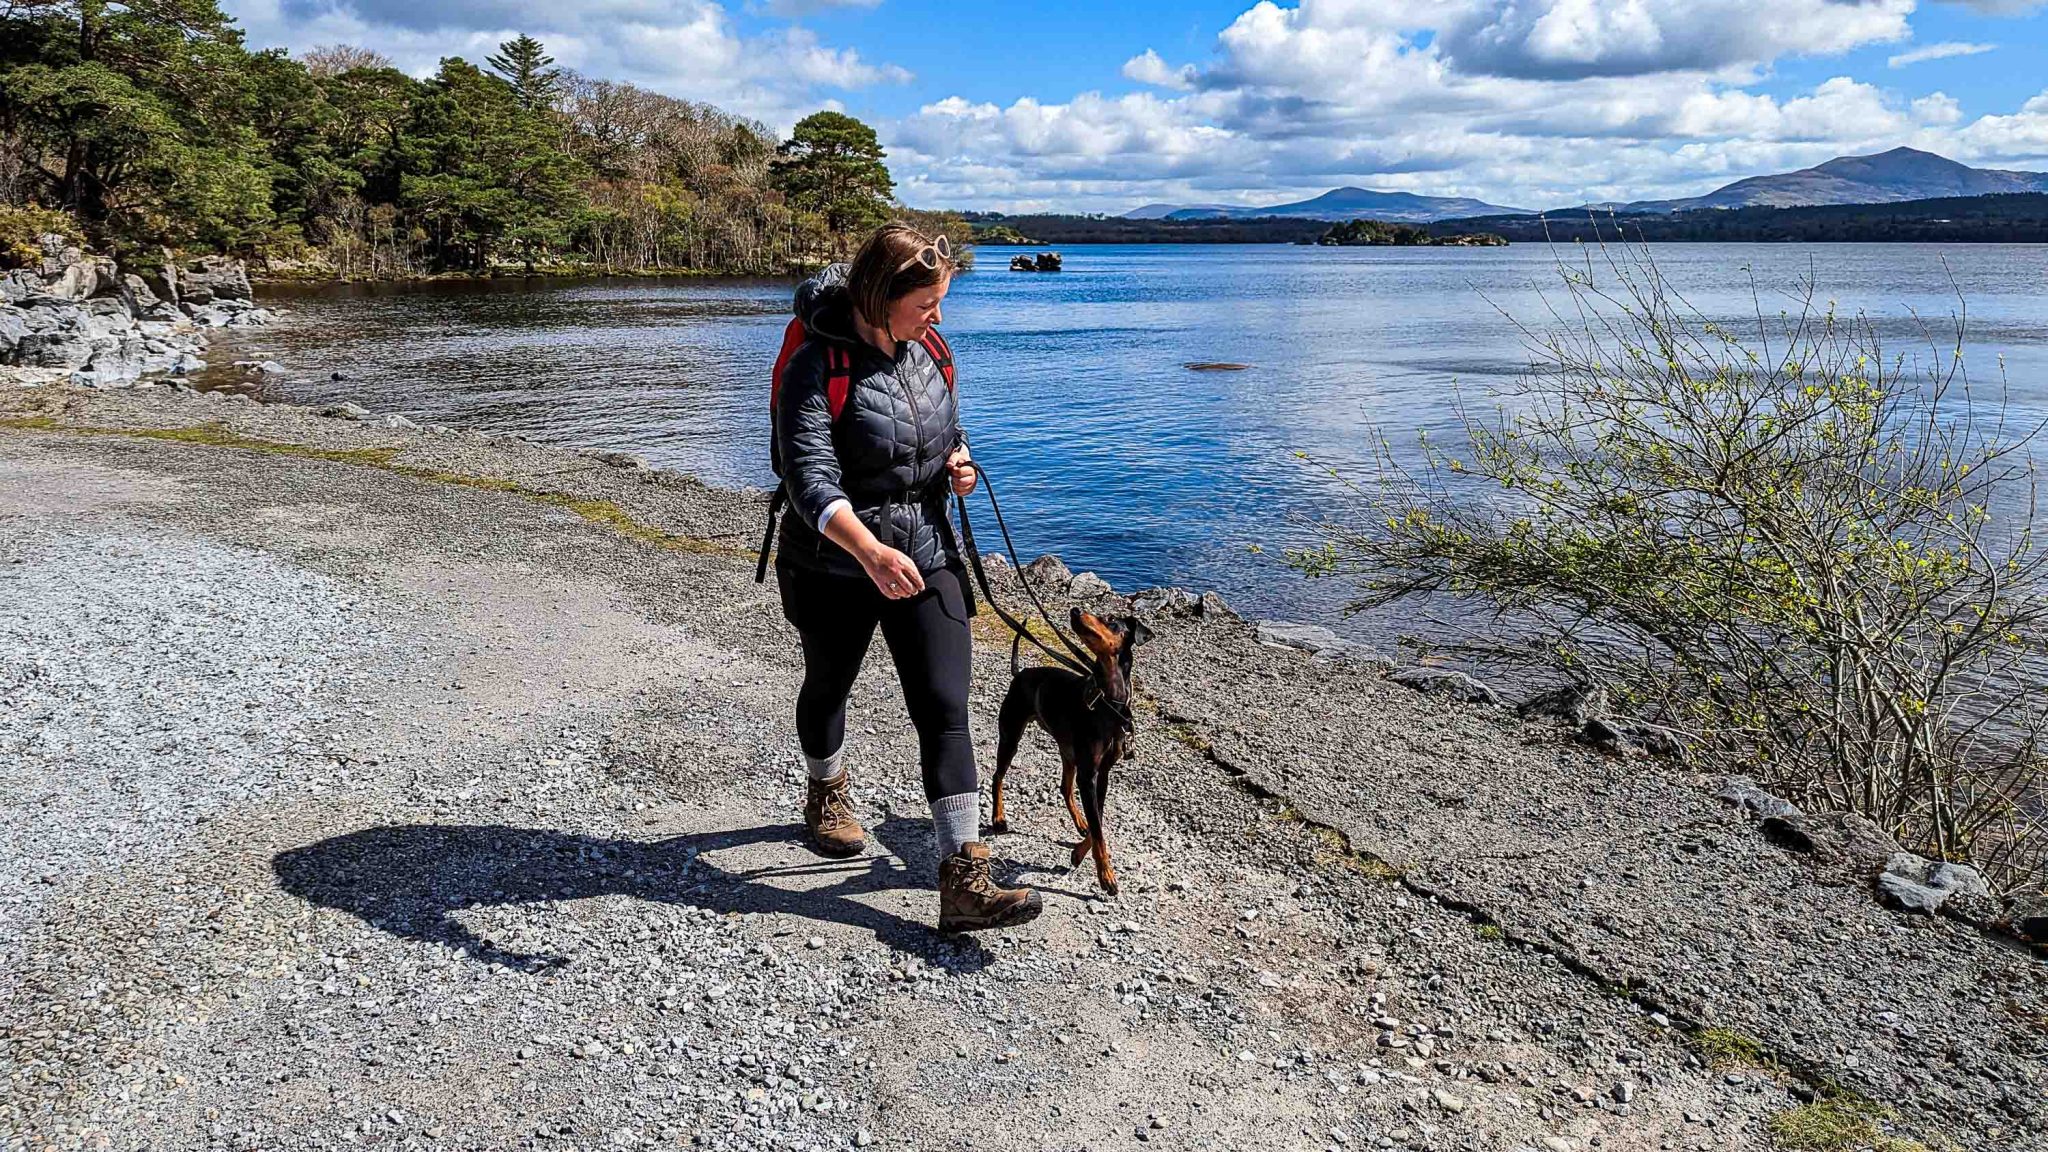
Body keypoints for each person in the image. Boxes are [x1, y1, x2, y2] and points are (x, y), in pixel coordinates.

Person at [773, 223, 1043, 933]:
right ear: (880, 295)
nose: (939, 317)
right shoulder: (817, 365)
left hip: (925, 549)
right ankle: (827, 788)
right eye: (928, 303)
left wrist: (959, 462)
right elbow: (806, 477)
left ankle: (964, 880)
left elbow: (940, 429)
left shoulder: (932, 353)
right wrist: (867, 551)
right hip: (831, 559)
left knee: (945, 703)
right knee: (828, 684)